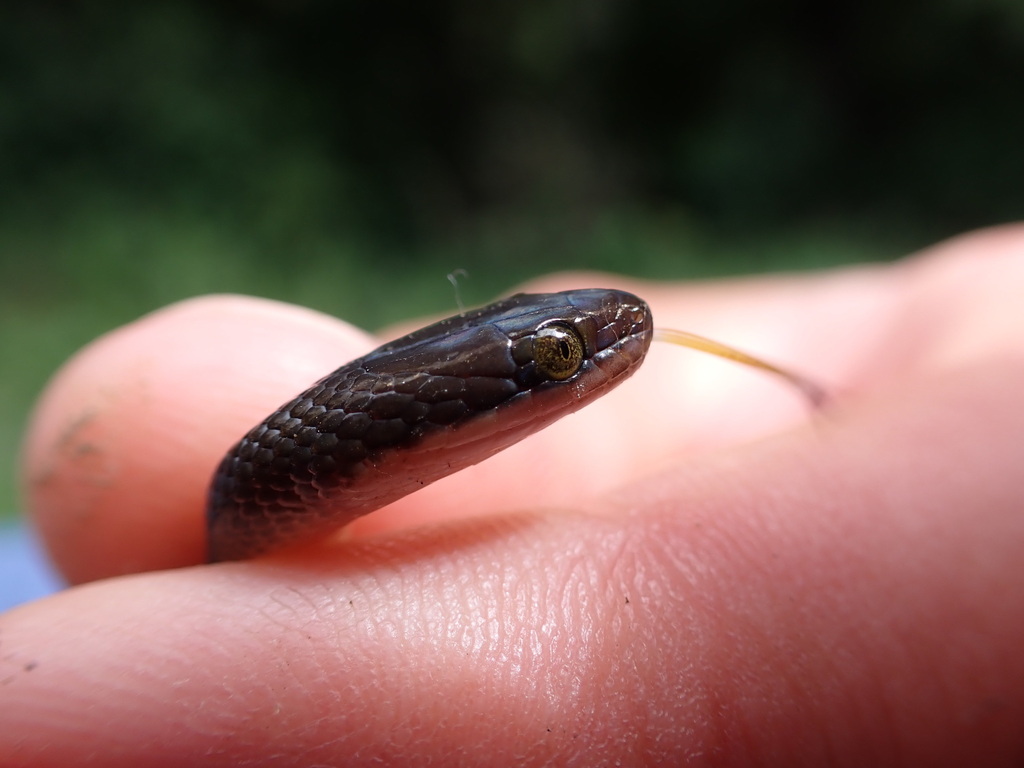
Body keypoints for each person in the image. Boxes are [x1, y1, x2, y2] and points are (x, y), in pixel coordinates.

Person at [3, 226, 1023, 766]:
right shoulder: (310, 459)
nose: (612, 339)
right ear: (402, 434)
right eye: (552, 356)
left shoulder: (327, 456)